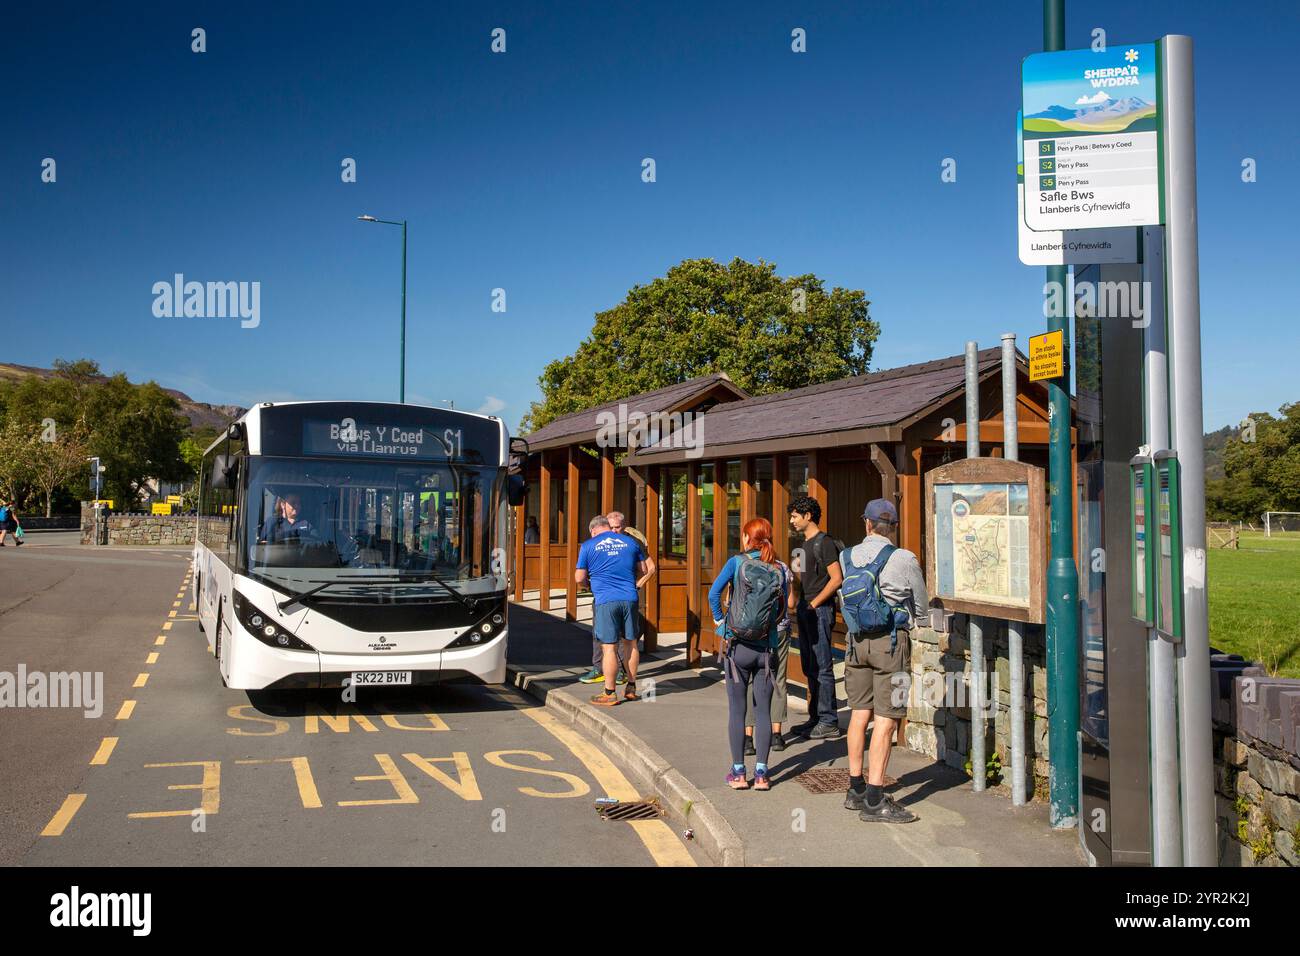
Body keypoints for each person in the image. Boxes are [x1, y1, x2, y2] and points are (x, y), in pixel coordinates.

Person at [841, 498, 929, 824]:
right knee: (887, 719)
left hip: (855, 643)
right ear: (892, 527)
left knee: (859, 714)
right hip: (890, 644)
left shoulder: (846, 555)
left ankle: (855, 789)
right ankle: (876, 799)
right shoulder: (904, 558)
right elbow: (921, 608)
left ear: (867, 524)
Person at [709, 517, 792, 792]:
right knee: (764, 711)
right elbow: (783, 609)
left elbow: (713, 594)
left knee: (737, 710)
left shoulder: (737, 563)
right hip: (767, 649)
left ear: (747, 538)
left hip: (738, 648)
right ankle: (762, 774)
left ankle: (737, 772)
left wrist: (722, 623)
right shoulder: (779, 569)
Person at [575, 515, 647, 706]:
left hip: (606, 600)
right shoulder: (630, 543)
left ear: (593, 530)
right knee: (630, 644)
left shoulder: (588, 546)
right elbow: (645, 568)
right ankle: (631, 687)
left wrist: (589, 585)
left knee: (609, 647)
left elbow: (579, 577)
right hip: (629, 598)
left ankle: (609, 693)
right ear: (608, 526)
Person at [787, 495, 843, 740]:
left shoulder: (824, 542)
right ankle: (816, 717)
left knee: (822, 666)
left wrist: (815, 602)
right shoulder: (805, 545)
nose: (791, 521)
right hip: (806, 608)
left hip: (818, 610)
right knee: (809, 665)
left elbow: (837, 578)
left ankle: (829, 720)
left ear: (808, 516)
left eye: (795, 516)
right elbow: (806, 579)